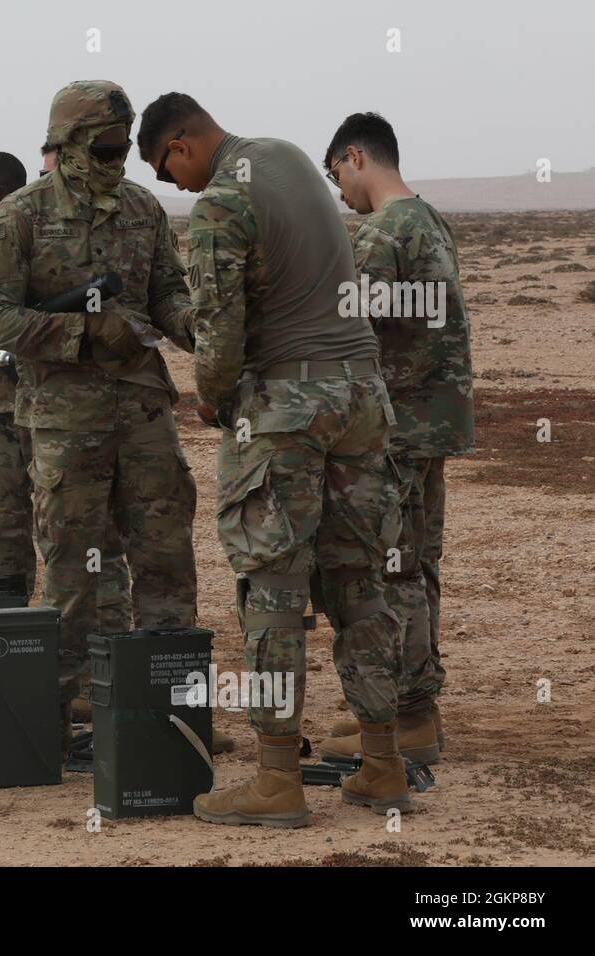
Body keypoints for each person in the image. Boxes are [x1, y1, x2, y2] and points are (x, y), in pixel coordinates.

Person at [139, 92, 407, 826]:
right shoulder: (288, 155)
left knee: (273, 595)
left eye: (168, 170)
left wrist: (214, 399)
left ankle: (276, 779)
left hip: (288, 405)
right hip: (360, 397)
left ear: (183, 143)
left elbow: (221, 332)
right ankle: (383, 763)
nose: (175, 185)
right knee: (358, 581)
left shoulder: (223, 201)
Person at [0, 81, 199, 751]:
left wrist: (204, 331)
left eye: (123, 148)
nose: (116, 159)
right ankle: (56, 714)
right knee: (74, 569)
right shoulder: (21, 215)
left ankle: (167, 714)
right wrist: (82, 335)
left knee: (165, 555)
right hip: (65, 419)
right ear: (69, 144)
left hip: (142, 407)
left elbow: (167, 292)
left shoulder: (142, 208)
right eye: (103, 147)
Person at [319, 112, 474, 763]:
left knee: (393, 571)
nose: (339, 195)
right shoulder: (431, 221)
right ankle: (408, 712)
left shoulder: (383, 233)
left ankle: (407, 718)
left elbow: (364, 319)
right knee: (415, 564)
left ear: (356, 157)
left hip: (396, 430)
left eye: (337, 177)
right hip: (431, 424)